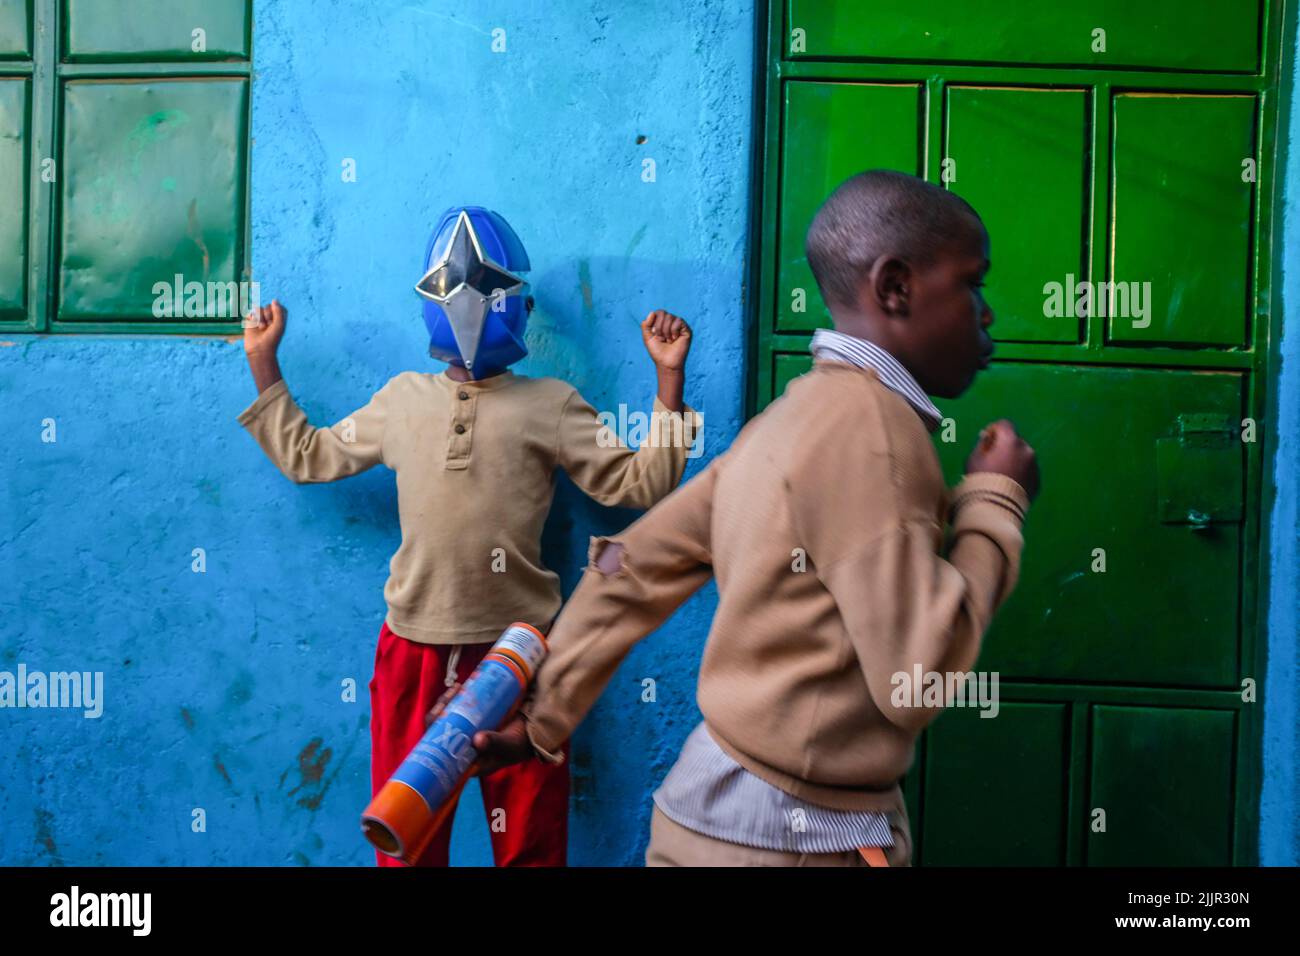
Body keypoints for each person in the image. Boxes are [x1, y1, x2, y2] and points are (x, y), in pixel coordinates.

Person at [461, 171, 1040, 866]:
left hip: (702, 819)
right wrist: (994, 501)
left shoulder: (787, 419)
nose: (986, 314)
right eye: (971, 284)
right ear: (895, 288)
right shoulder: (875, 431)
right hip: (794, 839)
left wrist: (546, 713)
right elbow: (916, 674)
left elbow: (630, 564)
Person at [236, 206, 697, 866]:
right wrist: (263, 363)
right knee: (405, 840)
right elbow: (310, 456)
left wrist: (669, 380)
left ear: (520, 303)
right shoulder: (401, 400)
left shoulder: (552, 405)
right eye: (456, 284)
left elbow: (638, 485)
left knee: (532, 843)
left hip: (522, 662)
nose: (472, 300)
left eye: (490, 285)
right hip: (411, 652)